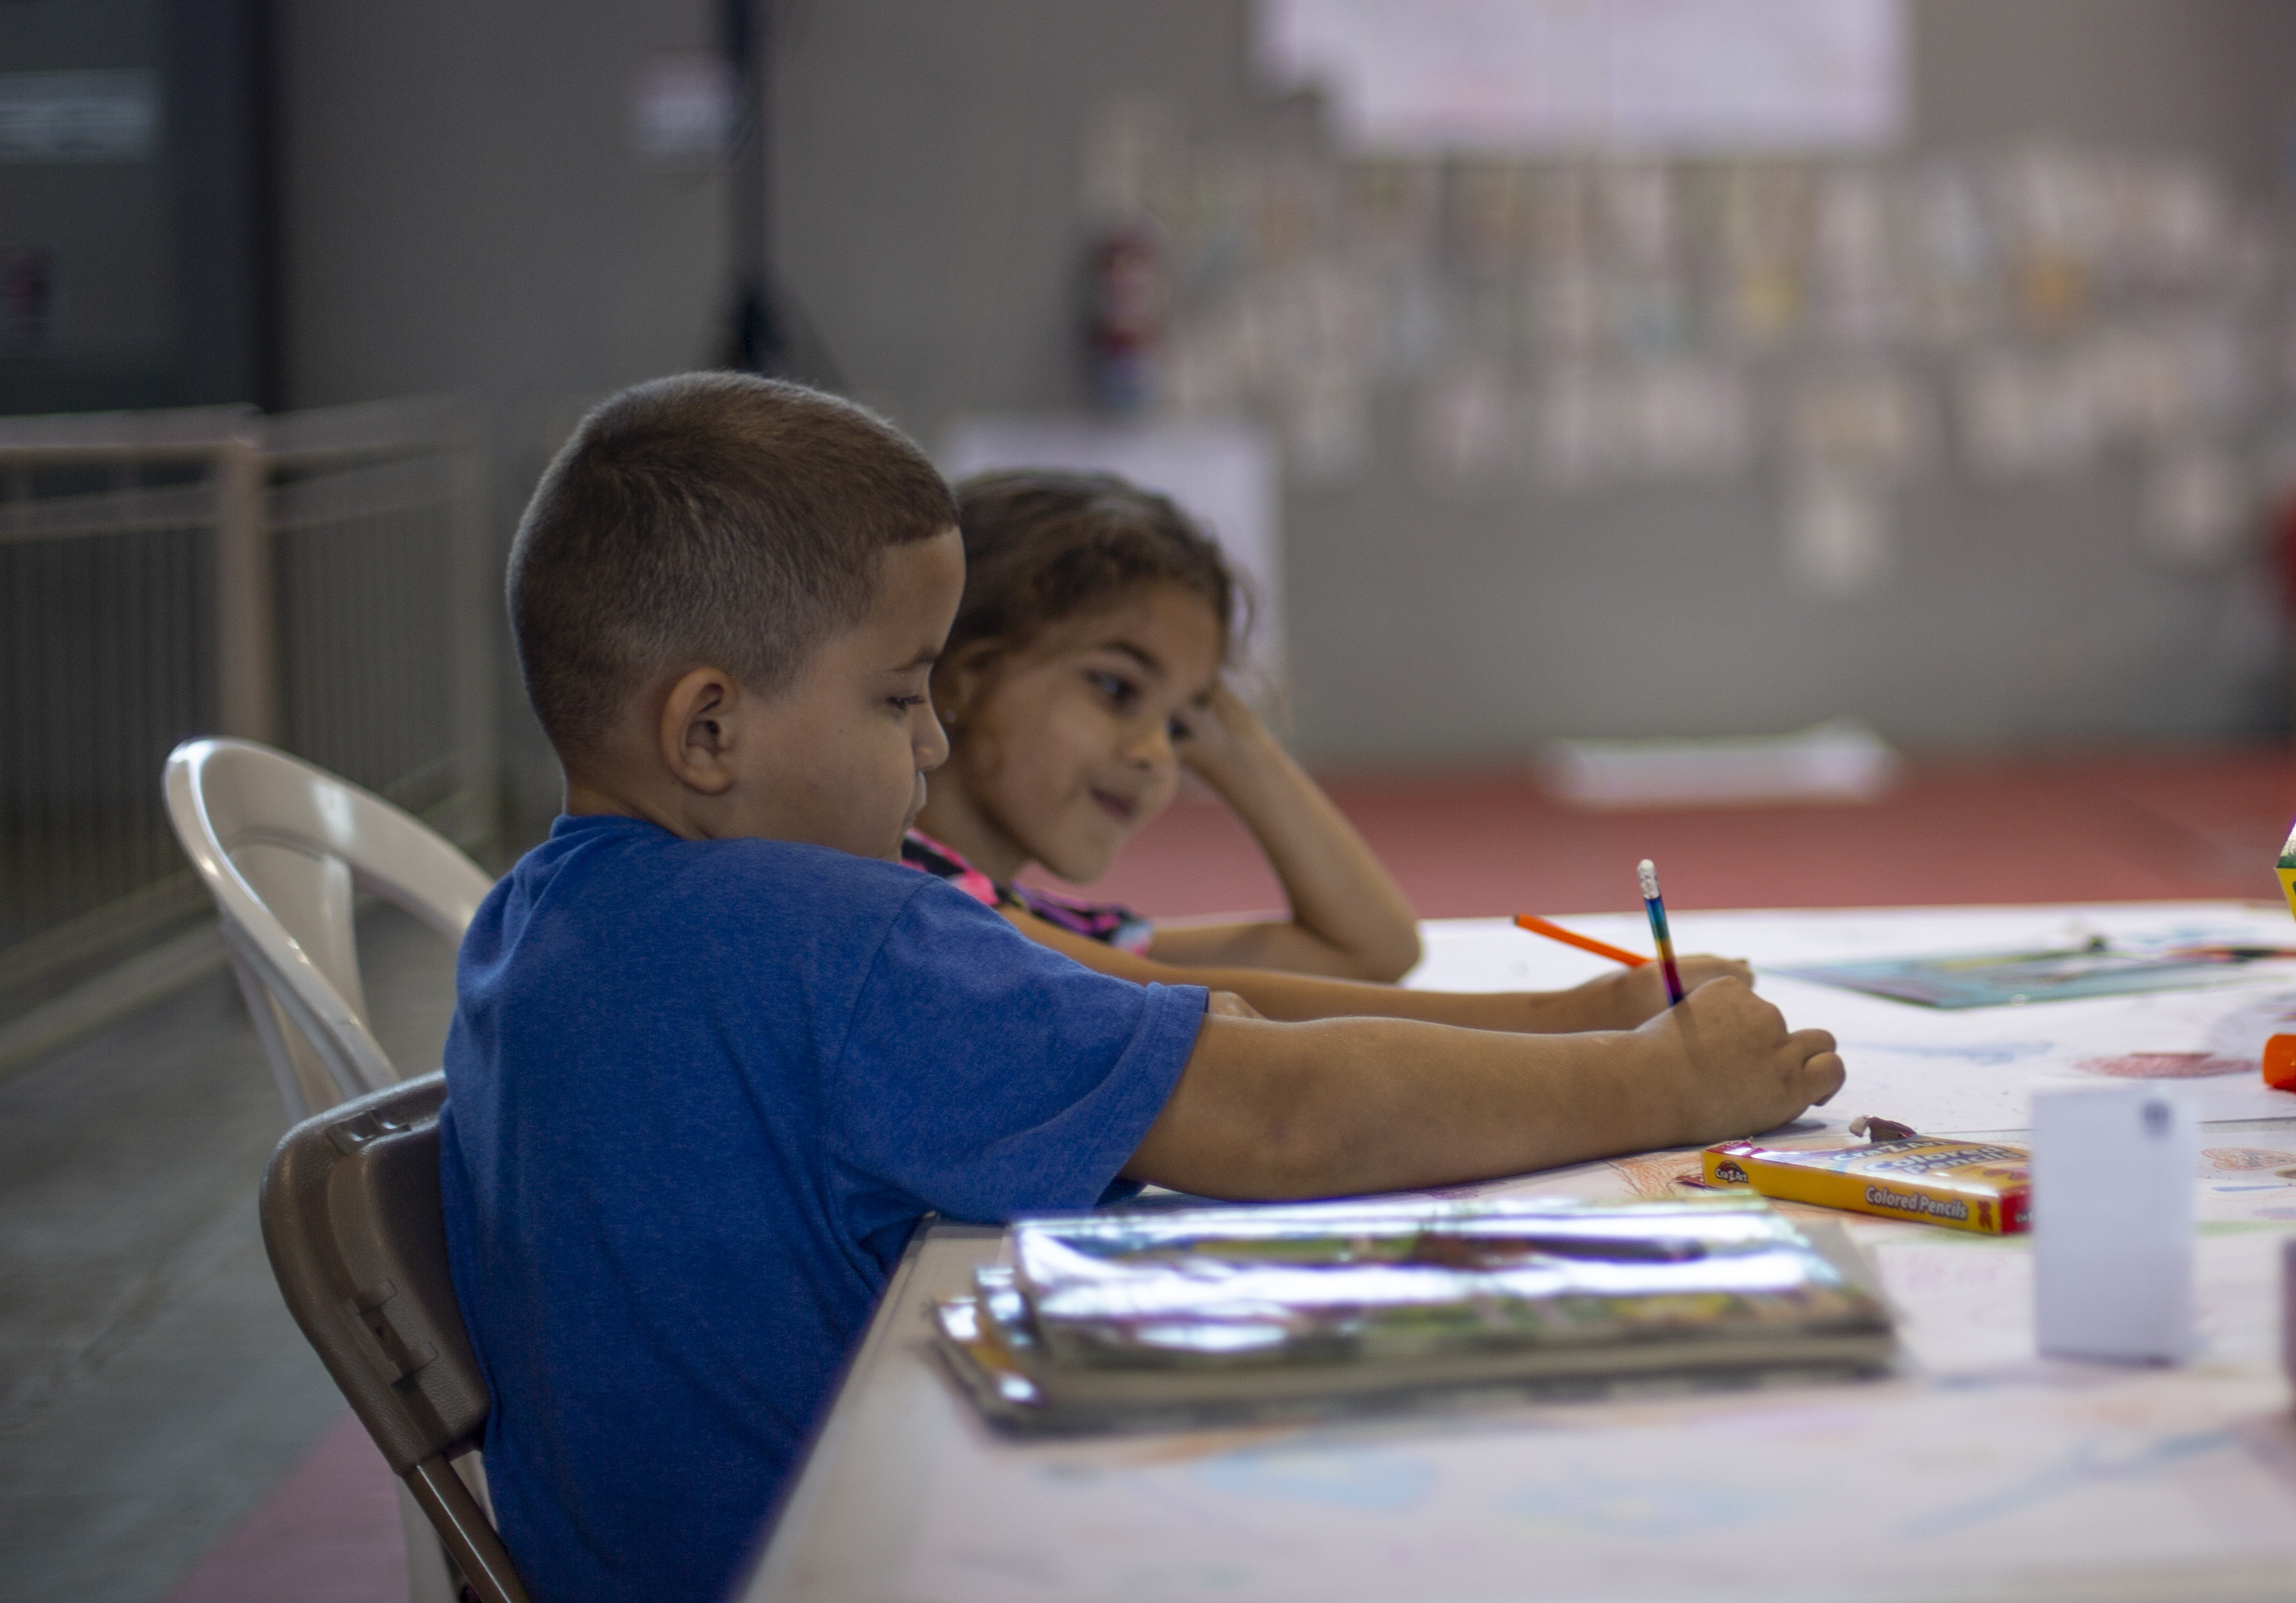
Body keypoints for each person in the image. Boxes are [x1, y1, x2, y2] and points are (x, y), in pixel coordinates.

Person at [445, 374, 1840, 1603]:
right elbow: (1283, 1118)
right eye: (896, 698)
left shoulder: (529, 928)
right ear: (706, 728)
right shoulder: (825, 935)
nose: (930, 742)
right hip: (841, 1559)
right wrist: (1660, 1086)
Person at [903, 467, 1729, 1029]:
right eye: (1119, 689)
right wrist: (1584, 1016)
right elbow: (1174, 1005)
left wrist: (1239, 745)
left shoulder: (1033, 918)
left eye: (1183, 719)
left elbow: (1368, 950)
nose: (1159, 753)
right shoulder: (917, 899)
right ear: (964, 677)